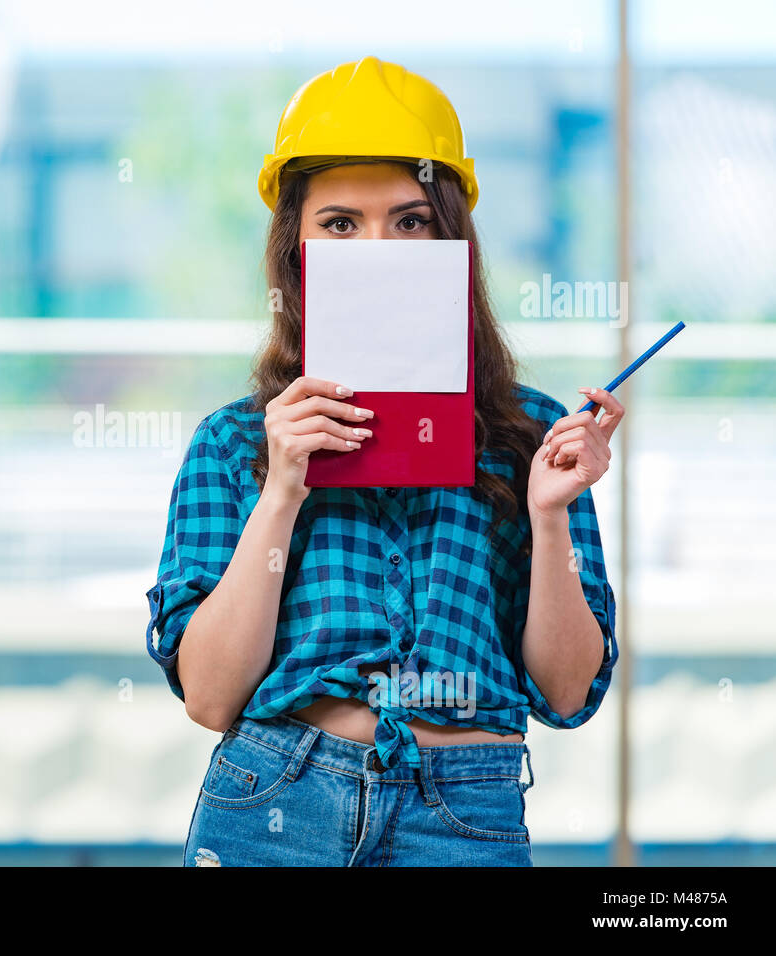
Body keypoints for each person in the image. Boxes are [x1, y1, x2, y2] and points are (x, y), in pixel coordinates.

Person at [145, 56, 622, 867]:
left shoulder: (533, 436)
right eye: (339, 224)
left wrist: (548, 516)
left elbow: (567, 693)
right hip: (275, 800)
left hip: (464, 807)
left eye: (409, 221)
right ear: (295, 251)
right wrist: (282, 488)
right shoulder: (235, 441)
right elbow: (211, 694)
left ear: (451, 239)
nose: (378, 249)